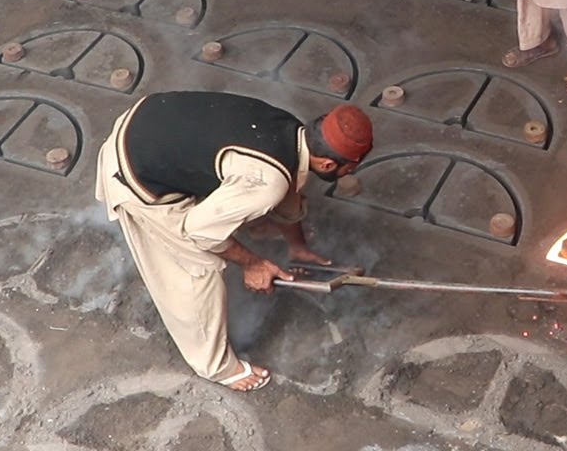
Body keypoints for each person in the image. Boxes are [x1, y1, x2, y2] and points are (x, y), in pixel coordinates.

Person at [95, 91, 373, 392]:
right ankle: (216, 367)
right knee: (199, 267)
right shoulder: (268, 182)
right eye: (350, 167)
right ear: (328, 165)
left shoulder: (290, 130)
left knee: (255, 193)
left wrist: (297, 246)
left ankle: (252, 223)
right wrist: (253, 264)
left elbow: (288, 187)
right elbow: (198, 232)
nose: (351, 172)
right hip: (133, 175)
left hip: (142, 119)